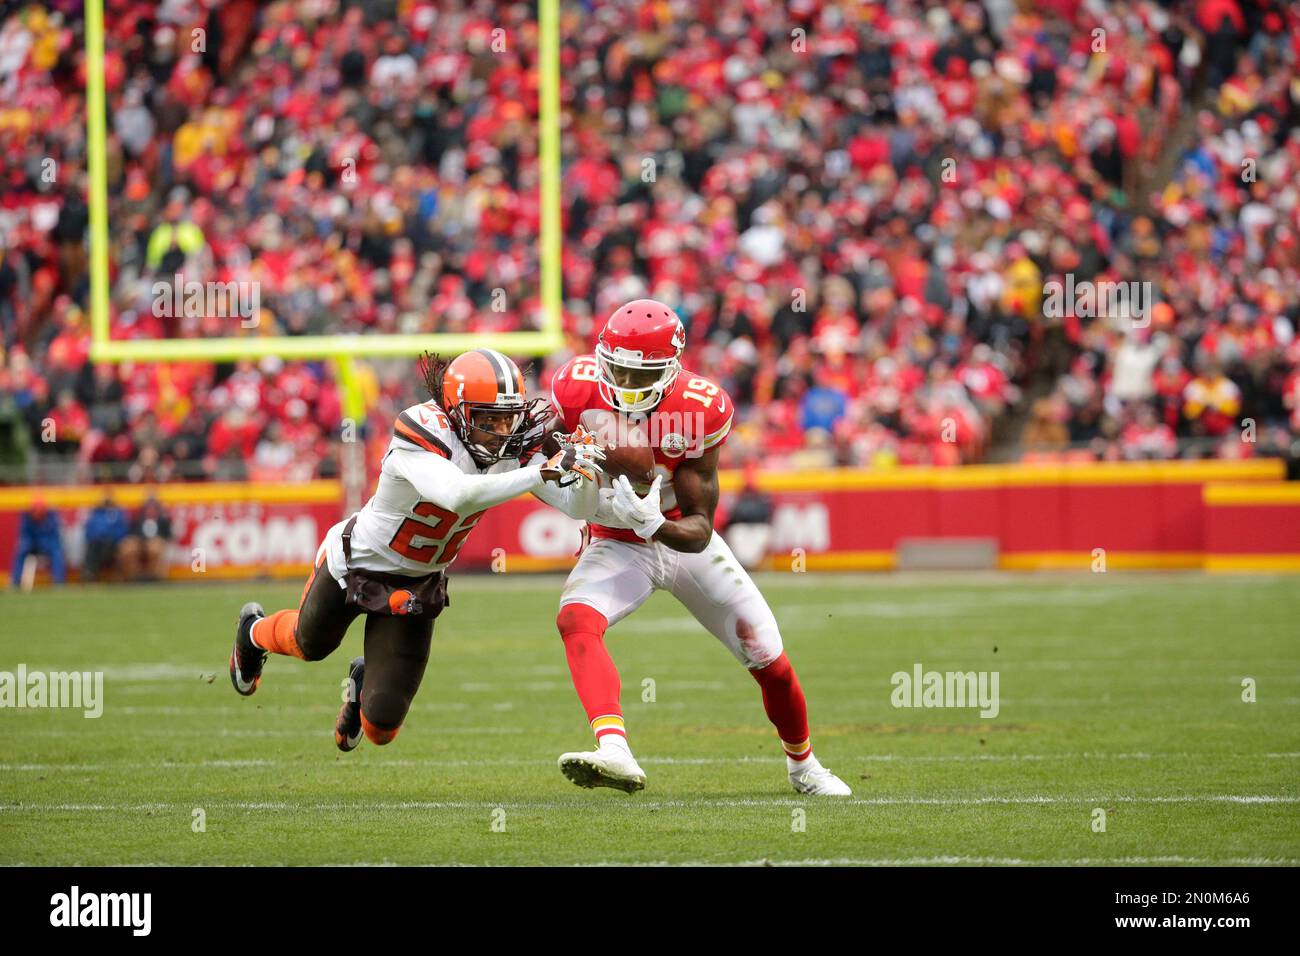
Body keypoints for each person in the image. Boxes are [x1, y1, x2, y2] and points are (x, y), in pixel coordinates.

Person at [227, 349, 604, 752]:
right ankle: (252, 634)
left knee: (381, 729)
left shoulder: (515, 449)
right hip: (357, 565)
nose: (500, 429)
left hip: (418, 585)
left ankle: (360, 686)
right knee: (309, 645)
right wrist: (543, 469)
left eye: (506, 417)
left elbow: (578, 508)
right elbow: (457, 494)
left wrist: (584, 474)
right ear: (457, 413)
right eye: (487, 418)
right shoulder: (423, 430)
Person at [547, 299, 851, 796]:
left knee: (766, 655)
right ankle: (614, 750)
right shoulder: (575, 386)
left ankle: (804, 766)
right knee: (575, 619)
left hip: (678, 539)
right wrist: (575, 486)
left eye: (636, 374)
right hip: (614, 541)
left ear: (671, 371)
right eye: (616, 370)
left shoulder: (699, 409)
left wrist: (652, 523)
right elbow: (549, 458)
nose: (622, 385)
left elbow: (701, 529)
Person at [10, 497, 66, 589]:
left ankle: (58, 582)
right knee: (21, 550)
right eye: (36, 512)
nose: (38, 515)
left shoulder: (51, 516)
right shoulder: (26, 517)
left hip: (47, 545)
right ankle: (15, 581)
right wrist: (28, 544)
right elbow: (24, 534)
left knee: (57, 552)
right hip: (32, 545)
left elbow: (55, 537)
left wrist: (44, 544)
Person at [119, 496, 173, 581]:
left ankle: (154, 576)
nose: (150, 510)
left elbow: (167, 536)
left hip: (155, 544)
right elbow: (132, 534)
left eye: (153, 508)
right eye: (148, 508)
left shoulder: (163, 521)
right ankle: (133, 577)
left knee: (154, 547)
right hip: (140, 544)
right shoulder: (138, 521)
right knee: (130, 548)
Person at [82, 494, 129, 581]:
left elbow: (122, 531)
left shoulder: (118, 514)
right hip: (97, 544)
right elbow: (89, 531)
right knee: (93, 545)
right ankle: (90, 574)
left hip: (113, 544)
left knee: (106, 545)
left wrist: (111, 537)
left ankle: (92, 572)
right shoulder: (95, 514)